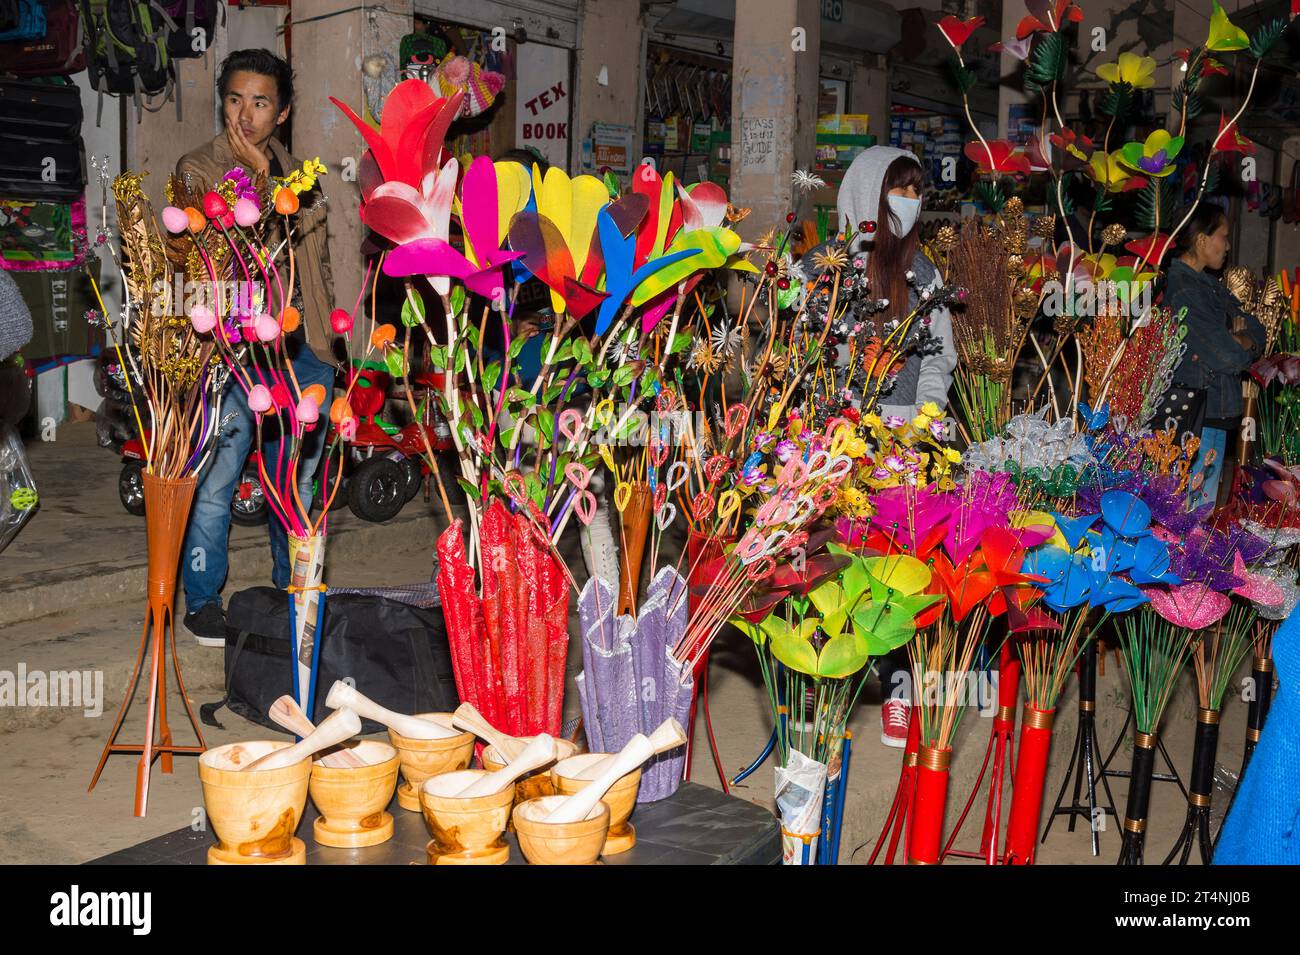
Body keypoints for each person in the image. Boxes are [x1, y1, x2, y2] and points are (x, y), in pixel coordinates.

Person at [178, 49, 337, 645]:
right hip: (232, 350)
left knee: (294, 481)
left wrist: (332, 346)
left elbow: (315, 263)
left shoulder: (303, 177)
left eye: (261, 102)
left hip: (303, 348)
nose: (245, 114)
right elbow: (204, 260)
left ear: (283, 112)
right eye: (234, 98)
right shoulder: (197, 169)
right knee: (219, 475)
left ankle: (288, 589)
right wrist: (254, 184)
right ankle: (202, 599)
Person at [835, 145, 958, 746]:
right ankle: (830, 688)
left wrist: (924, 420)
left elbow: (941, 356)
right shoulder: (834, 267)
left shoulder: (925, 273)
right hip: (846, 435)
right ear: (868, 193)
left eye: (917, 192)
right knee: (843, 561)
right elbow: (820, 353)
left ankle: (898, 692)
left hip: (909, 437)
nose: (909, 203)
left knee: (902, 569)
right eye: (898, 189)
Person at [1162, 203, 1264, 508]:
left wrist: (1241, 338)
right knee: (1191, 513)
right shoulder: (1185, 291)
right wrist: (1238, 342)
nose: (1228, 245)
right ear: (1202, 240)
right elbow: (1229, 357)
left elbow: (1258, 329)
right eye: (1223, 236)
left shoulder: (1208, 286)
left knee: (1202, 513)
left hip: (1215, 412)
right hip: (1196, 414)